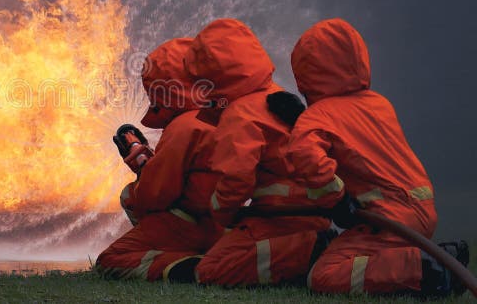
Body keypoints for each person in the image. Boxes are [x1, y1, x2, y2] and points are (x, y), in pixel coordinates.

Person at [275, 18, 468, 296]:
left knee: (324, 275)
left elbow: (304, 154)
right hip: (423, 210)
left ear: (306, 77)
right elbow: (355, 141)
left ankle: (426, 270)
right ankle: (436, 257)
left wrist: (337, 199)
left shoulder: (318, 116)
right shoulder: (380, 104)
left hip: (388, 219)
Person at [184, 19, 343, 286]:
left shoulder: (240, 114)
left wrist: (220, 213)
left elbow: (236, 181)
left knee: (210, 270)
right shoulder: (275, 95)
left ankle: (309, 253)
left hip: (282, 219)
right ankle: (310, 248)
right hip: (310, 214)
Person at [95, 38, 223, 282]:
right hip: (224, 222)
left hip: (187, 224)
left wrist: (143, 177)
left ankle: (184, 266)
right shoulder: (226, 114)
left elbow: (156, 195)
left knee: (111, 260)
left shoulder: (184, 129)